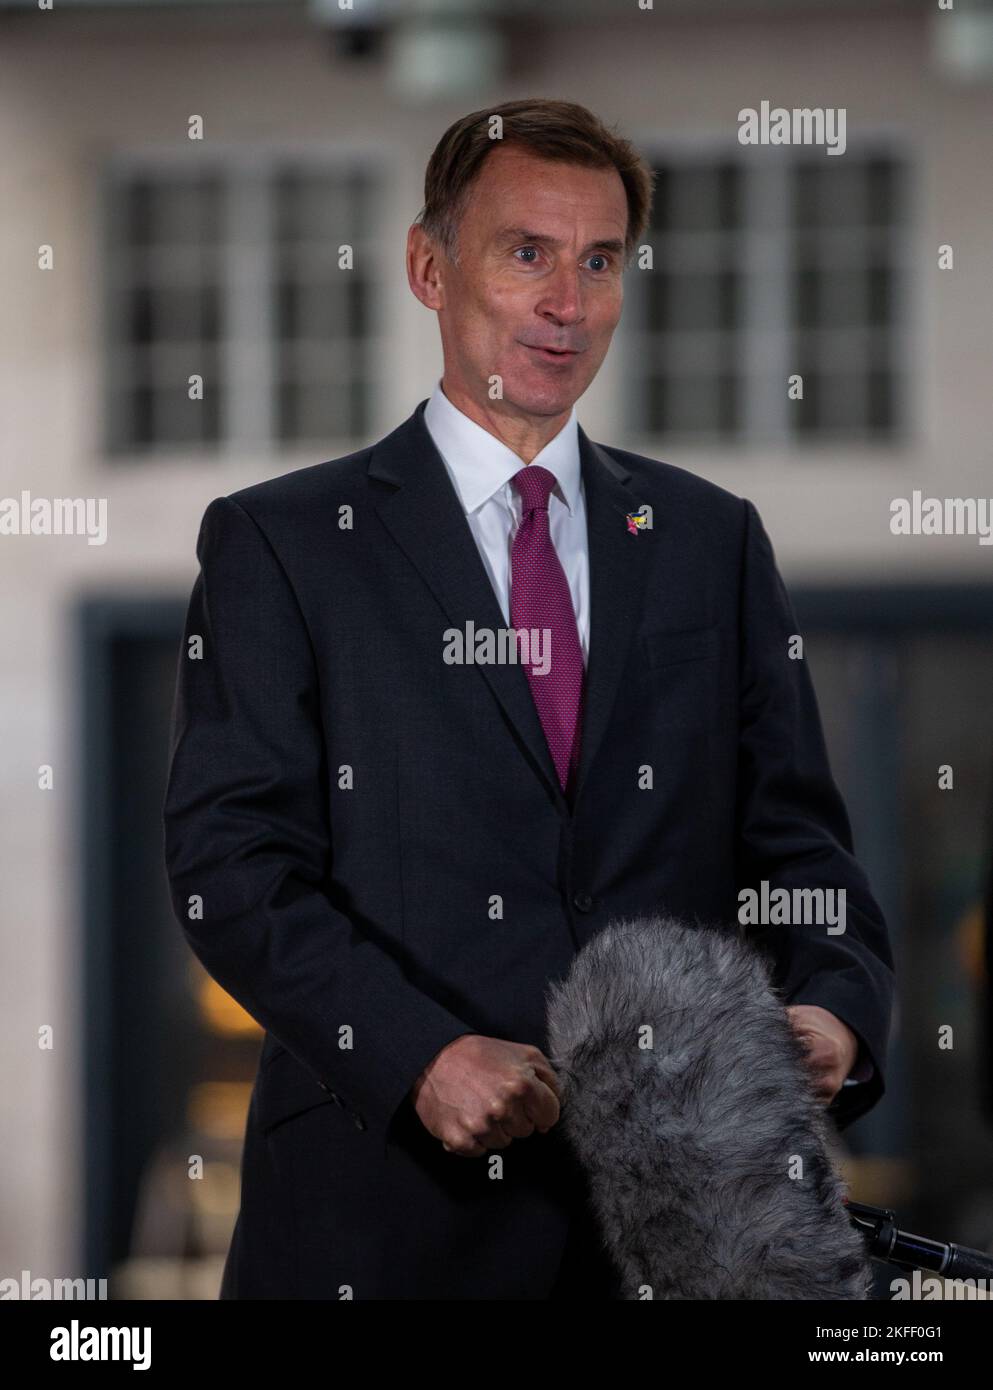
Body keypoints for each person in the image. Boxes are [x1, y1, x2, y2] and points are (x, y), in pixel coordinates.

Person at [162, 98, 894, 1300]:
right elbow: (230, 863)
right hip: (381, 1226)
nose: (569, 301)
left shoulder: (710, 541)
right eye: (527, 253)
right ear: (427, 266)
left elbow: (800, 841)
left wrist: (833, 1007)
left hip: (669, 1242)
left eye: (600, 260)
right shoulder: (285, 545)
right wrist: (420, 1056)